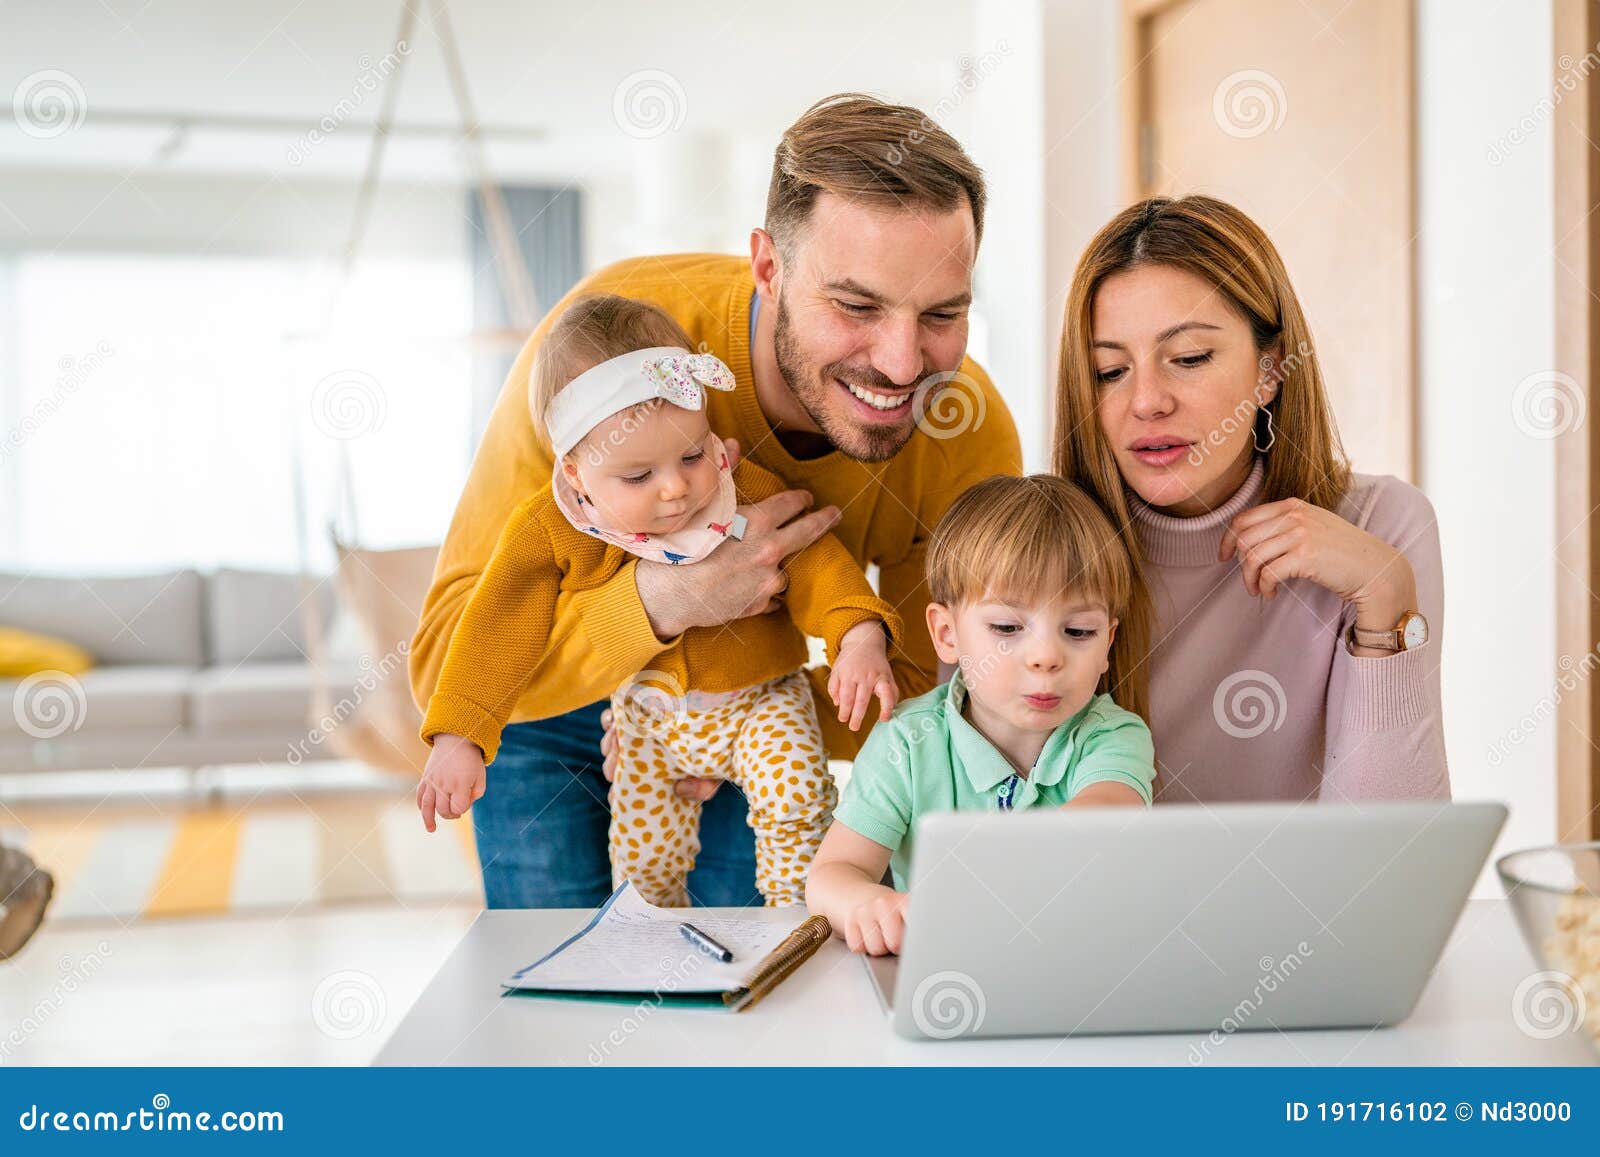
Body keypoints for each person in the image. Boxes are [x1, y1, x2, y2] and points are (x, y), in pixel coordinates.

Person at [408, 94, 1022, 907]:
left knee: (750, 982)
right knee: (564, 993)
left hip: (766, 699)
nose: (906, 363)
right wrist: (666, 605)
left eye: (943, 313)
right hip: (551, 696)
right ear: (768, 266)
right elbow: (449, 657)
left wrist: (738, 715)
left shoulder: (963, 432)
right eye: (857, 306)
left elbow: (927, 695)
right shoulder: (600, 355)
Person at [416, 295, 901, 907]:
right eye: (638, 477)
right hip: (649, 716)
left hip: (762, 701)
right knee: (643, 853)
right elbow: (498, 623)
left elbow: (815, 563)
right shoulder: (550, 528)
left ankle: (795, 918)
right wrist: (459, 735)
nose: (676, 488)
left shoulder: (740, 488)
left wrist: (857, 634)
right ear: (575, 474)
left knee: (797, 798)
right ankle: (645, 932)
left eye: (692, 455)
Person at [1054, 194, 1448, 803]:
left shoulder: (1381, 529)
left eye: (1188, 358)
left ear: (1270, 369)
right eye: (1110, 371)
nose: (1147, 401)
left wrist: (1387, 597)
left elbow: (1394, 864)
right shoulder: (1036, 550)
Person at [806, 475, 1155, 956]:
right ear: (947, 634)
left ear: (1108, 645)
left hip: (1079, 965)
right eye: (1008, 627)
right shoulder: (908, 742)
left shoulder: (1112, 735)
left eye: (1078, 631)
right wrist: (865, 903)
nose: (1045, 657)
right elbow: (830, 875)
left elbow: (1108, 813)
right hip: (946, 974)